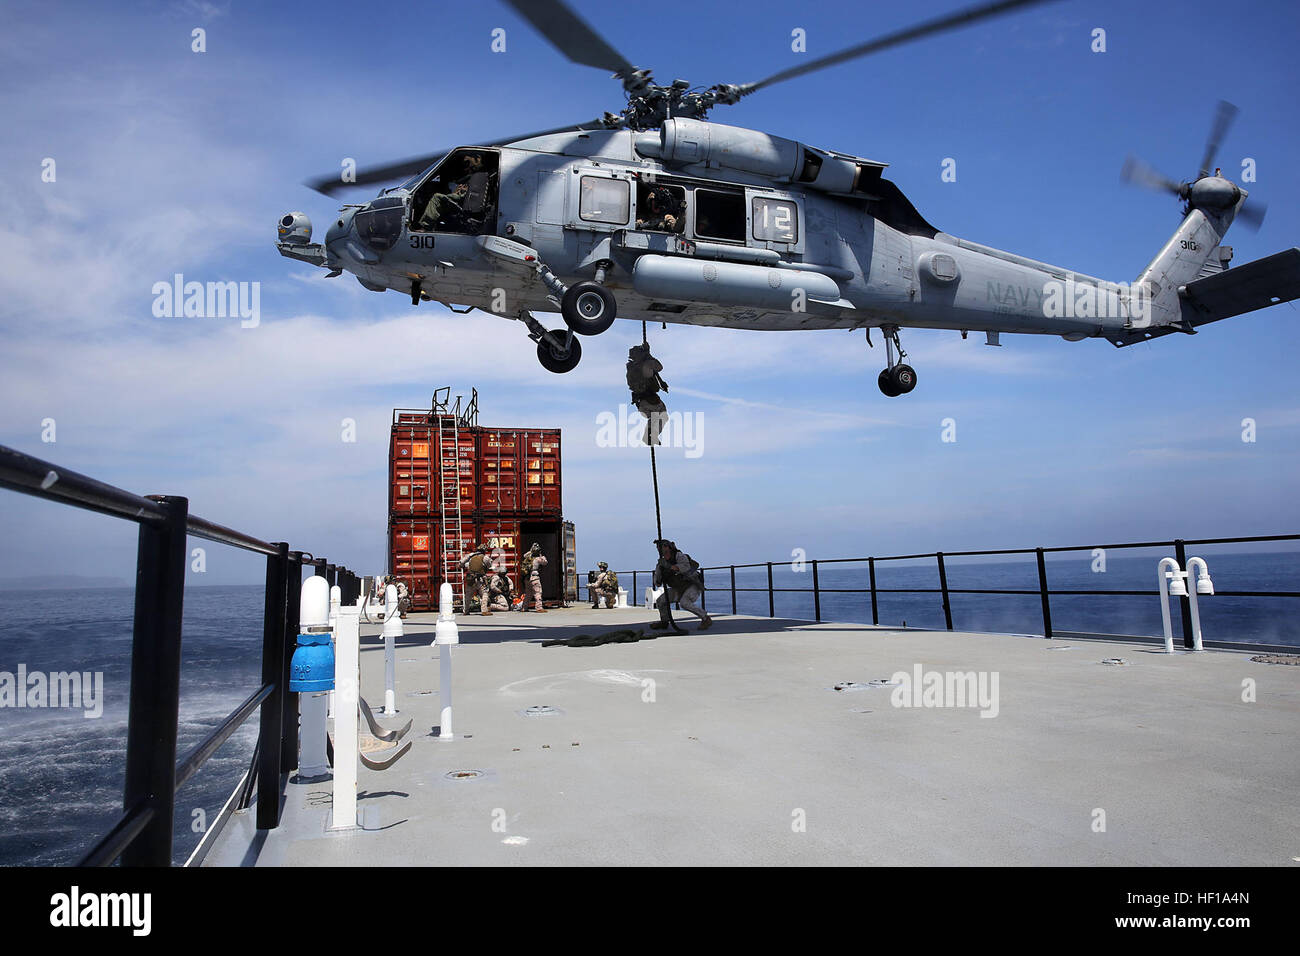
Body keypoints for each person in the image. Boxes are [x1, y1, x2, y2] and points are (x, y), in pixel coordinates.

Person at [650, 539, 711, 633]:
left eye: (661, 547)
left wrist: (669, 566)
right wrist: (659, 574)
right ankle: (664, 621)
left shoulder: (679, 556)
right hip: (678, 588)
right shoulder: (660, 565)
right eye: (658, 547)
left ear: (668, 547)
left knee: (684, 603)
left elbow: (686, 567)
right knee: (661, 601)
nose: (659, 549)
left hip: (691, 585)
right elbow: (657, 583)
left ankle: (705, 618)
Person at [417, 153, 484, 231]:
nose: (467, 167)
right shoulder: (473, 176)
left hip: (466, 205)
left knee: (437, 197)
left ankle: (425, 227)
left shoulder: (479, 176)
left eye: (467, 162)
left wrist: (455, 194)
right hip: (465, 202)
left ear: (477, 159)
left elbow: (465, 196)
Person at [626, 343, 669, 446]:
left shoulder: (631, 368)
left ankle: (649, 436)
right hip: (650, 399)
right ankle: (649, 436)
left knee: (655, 418)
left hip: (641, 403)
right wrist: (649, 355)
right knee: (661, 416)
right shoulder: (647, 364)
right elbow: (659, 367)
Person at [459, 542, 495, 616]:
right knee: (484, 594)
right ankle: (484, 610)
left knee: (468, 595)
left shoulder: (470, 555)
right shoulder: (485, 557)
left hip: (470, 578)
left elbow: (461, 562)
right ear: (484, 551)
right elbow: (489, 566)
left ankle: (466, 611)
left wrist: (463, 566)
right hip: (480, 579)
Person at [521, 542, 548, 612]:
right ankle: (539, 608)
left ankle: (524, 607)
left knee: (528, 594)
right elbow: (545, 562)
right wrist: (541, 555)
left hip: (527, 578)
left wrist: (530, 551)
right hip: (534, 578)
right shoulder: (538, 559)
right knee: (538, 592)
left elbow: (524, 555)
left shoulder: (528, 557)